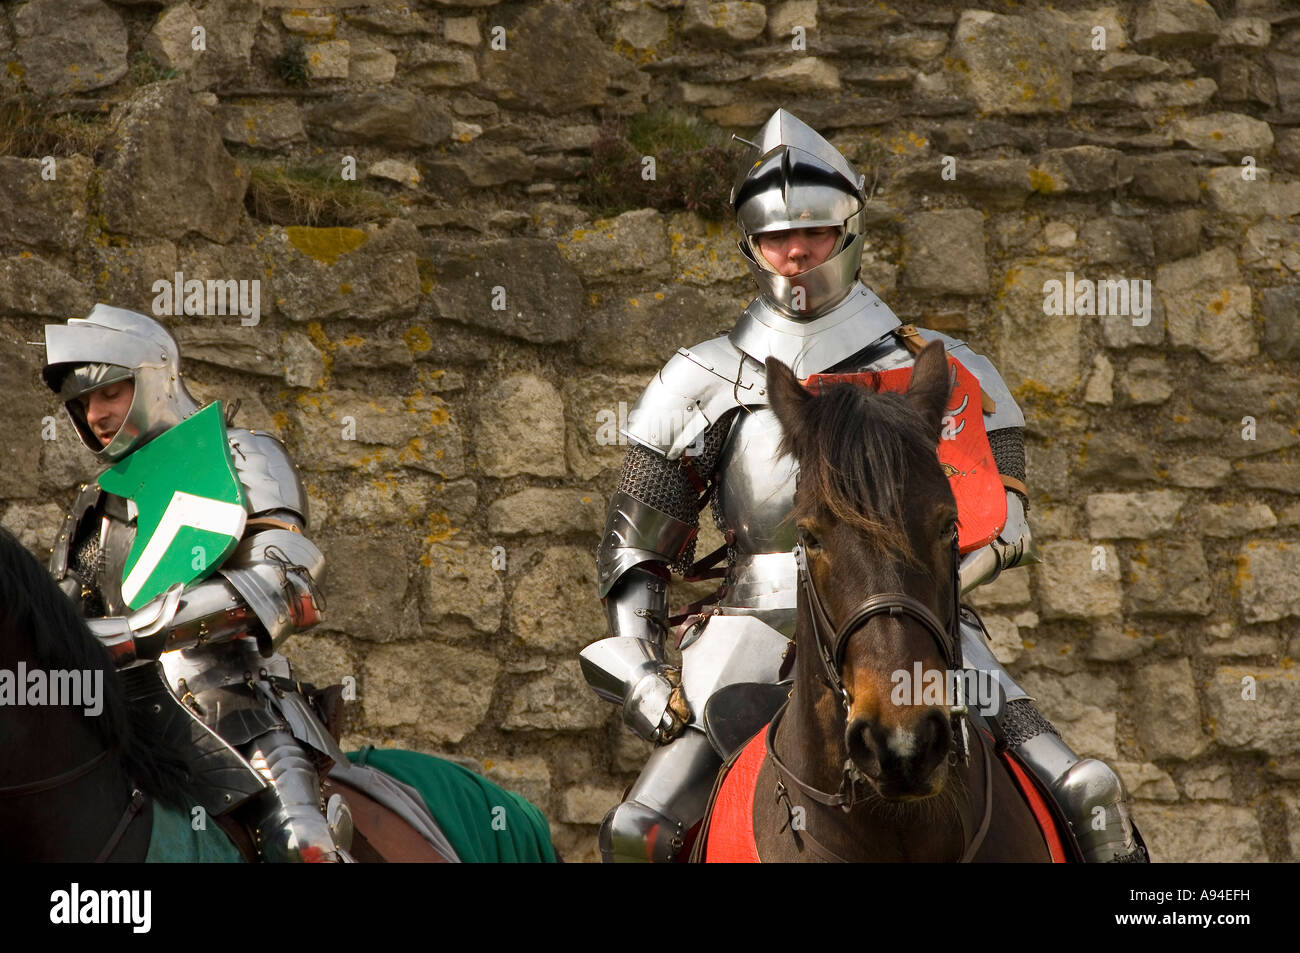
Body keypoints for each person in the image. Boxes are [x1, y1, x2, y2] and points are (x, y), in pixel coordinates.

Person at [580, 109, 1145, 863]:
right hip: (748, 634)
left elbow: (1005, 524)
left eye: (811, 233)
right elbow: (635, 553)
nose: (794, 254)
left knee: (1088, 795)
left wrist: (927, 593)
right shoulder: (699, 380)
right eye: (776, 238)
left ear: (847, 232)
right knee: (638, 831)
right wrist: (644, 674)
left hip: (916, 619)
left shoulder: (944, 370)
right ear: (753, 245)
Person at [43, 304, 348, 862]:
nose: (95, 414)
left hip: (234, 709)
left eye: (110, 392)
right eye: (83, 403)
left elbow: (285, 583)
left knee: (302, 845)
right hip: (116, 723)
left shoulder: (238, 456)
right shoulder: (95, 509)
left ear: (156, 377)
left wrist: (132, 633)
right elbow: (56, 622)